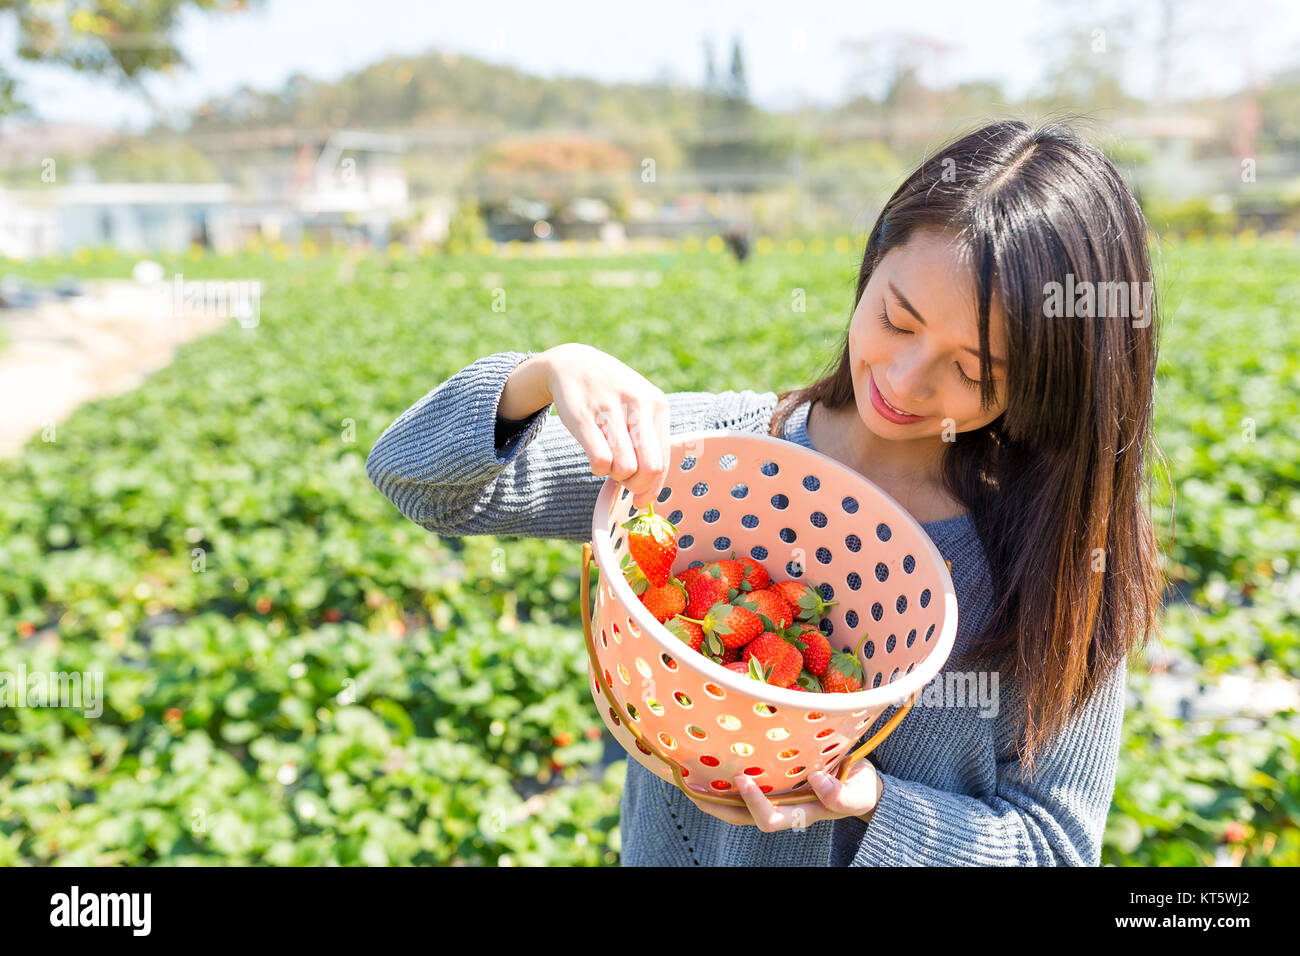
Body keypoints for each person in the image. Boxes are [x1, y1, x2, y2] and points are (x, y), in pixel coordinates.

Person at [365, 118, 1167, 865]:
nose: (903, 379)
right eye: (896, 318)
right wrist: (540, 375)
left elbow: (1056, 846)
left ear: (1044, 383)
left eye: (972, 371)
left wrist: (871, 803)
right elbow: (414, 479)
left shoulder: (1048, 565)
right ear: (872, 263)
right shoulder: (709, 455)